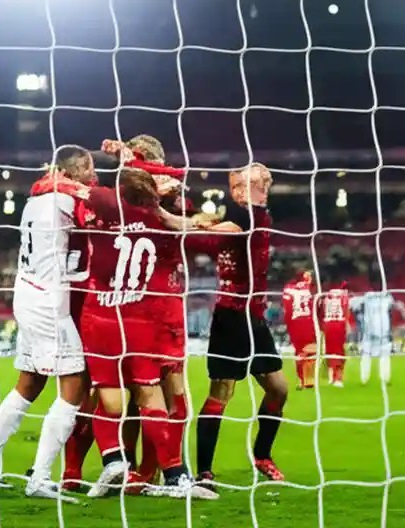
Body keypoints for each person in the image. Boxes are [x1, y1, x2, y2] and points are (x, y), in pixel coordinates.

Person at [74, 167, 218, 500]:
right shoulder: (158, 221)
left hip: (101, 314)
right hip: (141, 317)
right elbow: (194, 224)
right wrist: (164, 200)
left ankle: (112, 459)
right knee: (150, 395)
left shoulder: (103, 206)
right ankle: (176, 475)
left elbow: (85, 191)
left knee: (109, 396)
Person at [0, 145, 95, 502]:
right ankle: (39, 477)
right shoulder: (66, 201)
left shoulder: (37, 198)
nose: (93, 176)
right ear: (77, 169)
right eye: (90, 169)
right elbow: (103, 214)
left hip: (27, 293)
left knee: (30, 383)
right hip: (47, 301)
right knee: (76, 384)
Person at [186, 163, 289, 486]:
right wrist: (191, 223)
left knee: (279, 389)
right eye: (232, 187)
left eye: (239, 184)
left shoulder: (256, 214)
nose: (235, 192)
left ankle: (262, 454)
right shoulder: (241, 216)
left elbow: (230, 227)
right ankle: (204, 471)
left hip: (254, 317)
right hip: (230, 316)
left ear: (259, 184)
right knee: (221, 392)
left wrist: (202, 224)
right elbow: (226, 230)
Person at [282, 271, 319, 390]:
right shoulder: (310, 289)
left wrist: (288, 324)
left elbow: (287, 309)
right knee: (310, 350)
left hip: (295, 322)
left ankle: (303, 380)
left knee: (300, 352)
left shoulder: (288, 289)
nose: (311, 278)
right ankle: (308, 380)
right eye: (309, 276)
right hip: (308, 321)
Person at [318, 280, 353, 387]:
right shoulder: (344, 296)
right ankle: (338, 378)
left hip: (327, 325)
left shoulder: (325, 296)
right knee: (339, 353)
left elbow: (320, 312)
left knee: (329, 351)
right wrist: (348, 325)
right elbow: (346, 310)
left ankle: (330, 377)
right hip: (339, 325)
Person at [359, 289, 394, 386]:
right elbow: (391, 311)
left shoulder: (367, 296)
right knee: (384, 354)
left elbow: (360, 309)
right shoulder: (387, 296)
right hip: (382, 329)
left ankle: (364, 379)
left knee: (366, 354)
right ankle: (385, 378)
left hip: (369, 329)